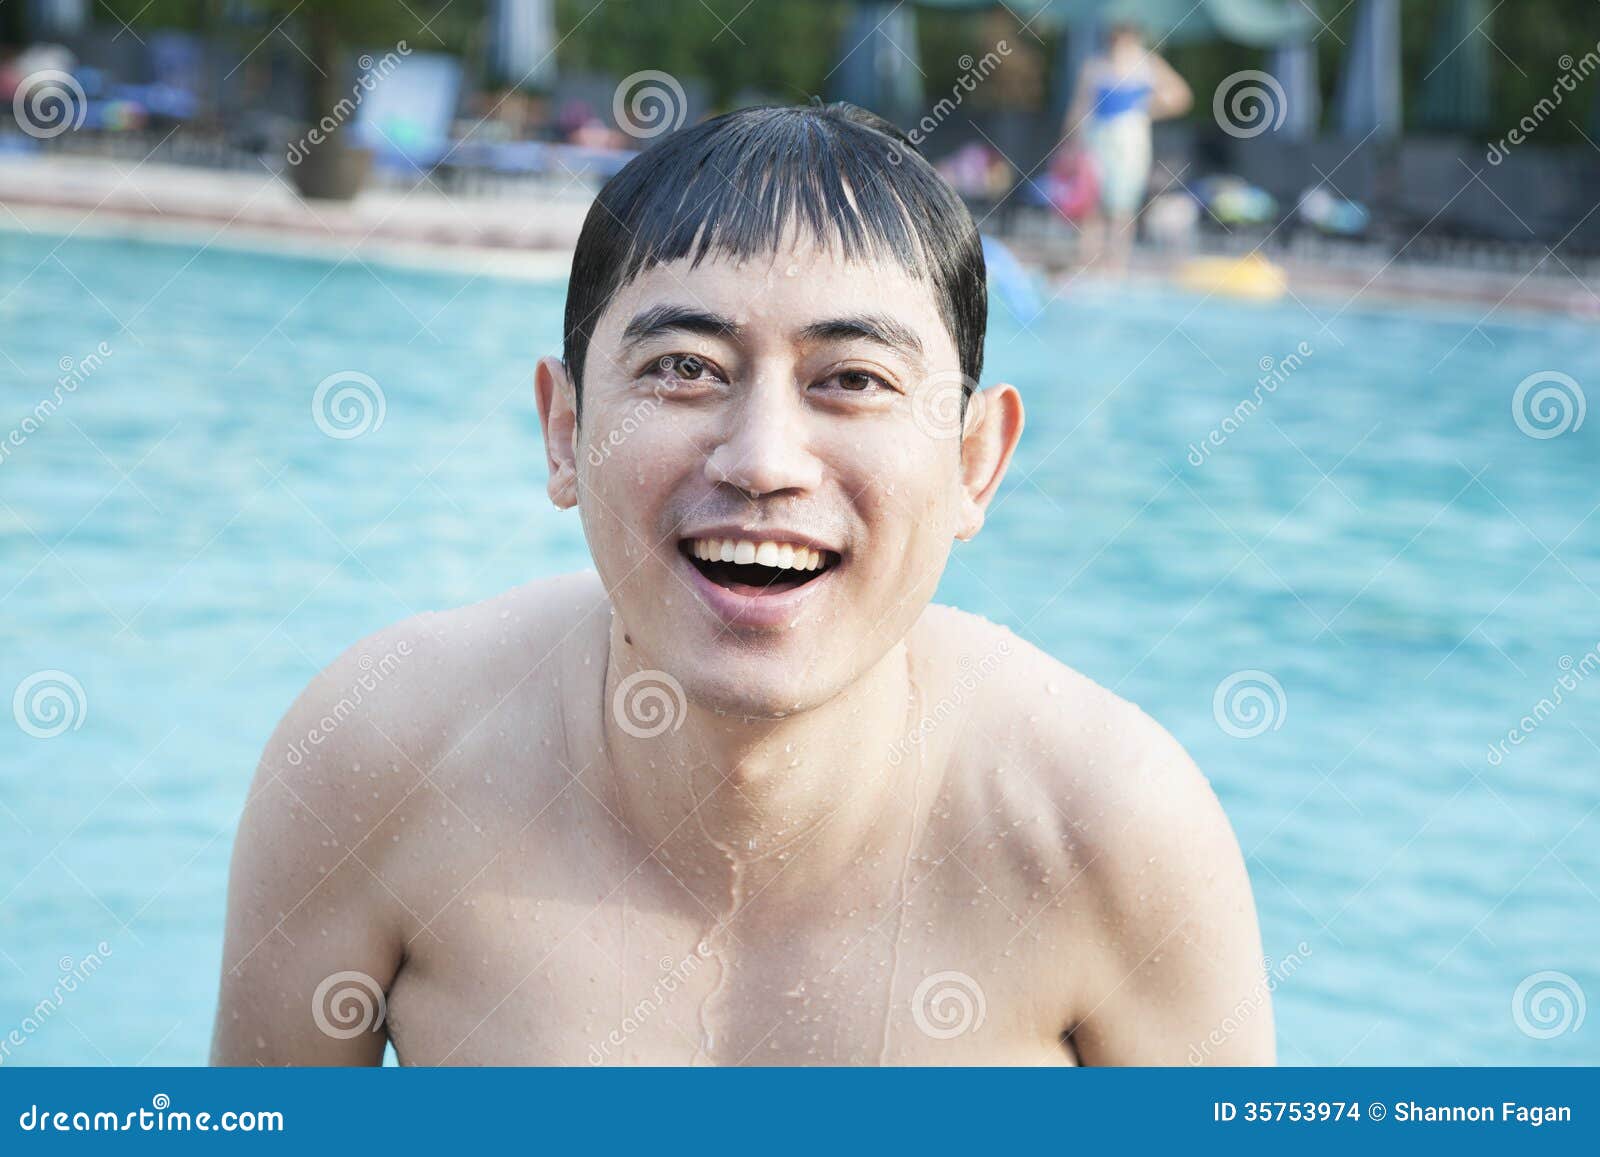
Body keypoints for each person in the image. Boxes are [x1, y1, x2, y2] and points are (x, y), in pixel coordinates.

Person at [211, 103, 1271, 1066]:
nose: (762, 459)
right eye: (684, 367)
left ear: (974, 459)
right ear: (566, 429)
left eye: (850, 380)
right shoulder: (377, 758)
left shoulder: (1105, 827)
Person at [1064, 21, 1193, 272]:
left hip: (1129, 140)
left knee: (1122, 205)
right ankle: (1088, 259)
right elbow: (1080, 106)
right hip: (1097, 138)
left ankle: (1115, 264)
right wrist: (1069, 142)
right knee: (1092, 202)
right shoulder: (1096, 64)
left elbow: (1180, 96)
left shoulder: (1147, 63)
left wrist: (1147, 108)